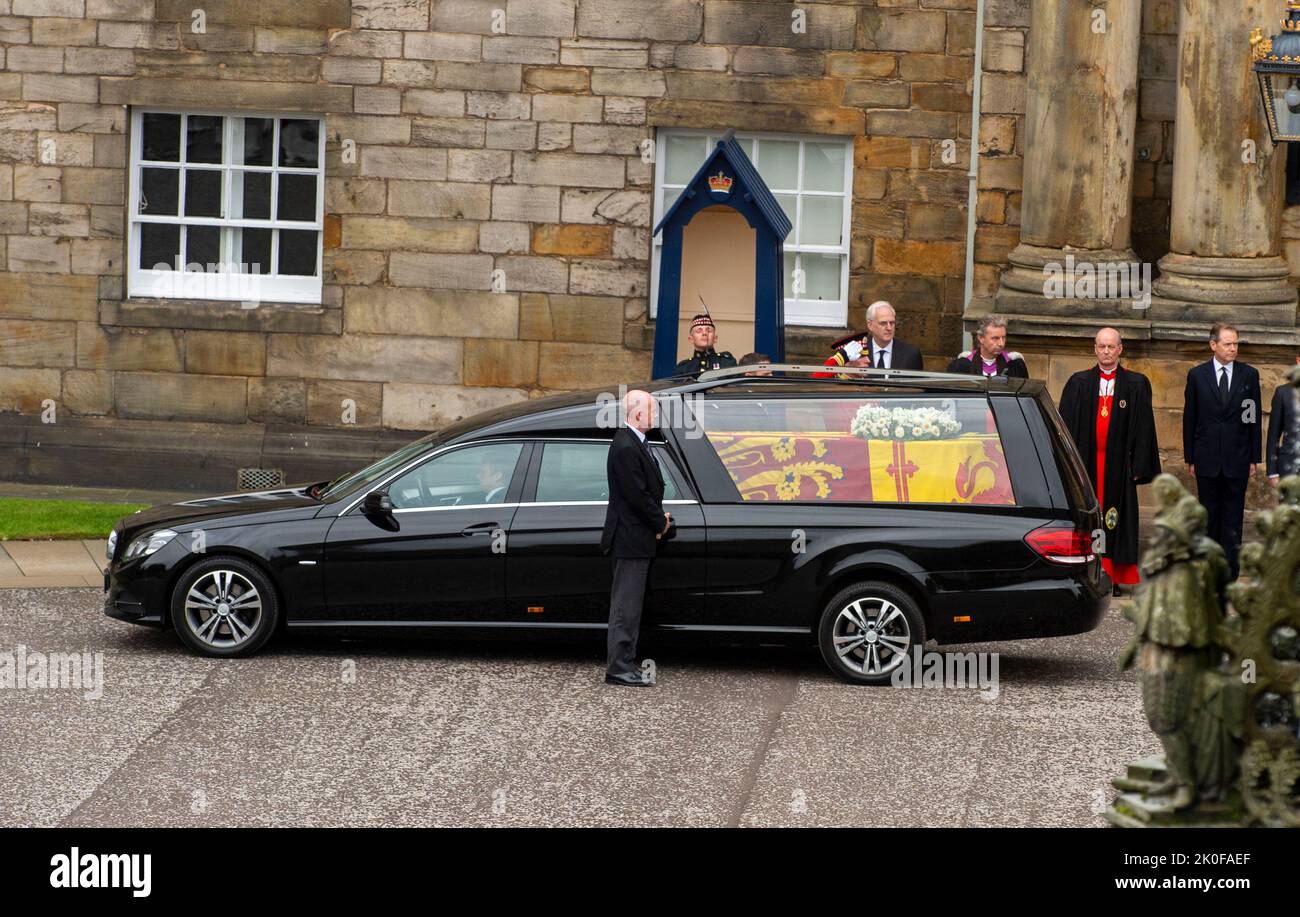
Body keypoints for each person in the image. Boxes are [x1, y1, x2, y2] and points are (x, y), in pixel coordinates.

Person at [1059, 327, 1160, 594]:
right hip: (1087, 466)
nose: (1106, 351)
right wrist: (1068, 466)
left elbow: (1144, 428)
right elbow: (1065, 428)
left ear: (1120, 349)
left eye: (1111, 346)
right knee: (1088, 519)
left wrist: (1139, 465)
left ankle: (1112, 575)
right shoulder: (1078, 383)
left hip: (1119, 468)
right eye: (1101, 346)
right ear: (1095, 349)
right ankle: (1087, 572)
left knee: (1114, 519)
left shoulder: (1136, 384)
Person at [599, 389, 671, 687]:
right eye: (652, 411)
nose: (656, 416)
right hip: (630, 538)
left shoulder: (634, 442)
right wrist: (660, 522)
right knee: (625, 607)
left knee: (631, 605)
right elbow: (636, 496)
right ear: (638, 414)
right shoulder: (626, 446)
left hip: (636, 535)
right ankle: (618, 667)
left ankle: (627, 661)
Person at [1183, 322, 1261, 580]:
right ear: (1213, 345)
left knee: (1232, 518)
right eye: (1228, 344)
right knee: (1208, 517)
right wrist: (1190, 457)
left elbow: (1252, 417)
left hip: (1237, 458)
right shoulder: (1197, 375)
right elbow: (1190, 418)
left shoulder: (1248, 375)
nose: (1233, 348)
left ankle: (1229, 572)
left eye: (1236, 343)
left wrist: (1253, 456)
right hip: (1206, 459)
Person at [818, 301, 922, 376]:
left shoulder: (911, 354)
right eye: (883, 323)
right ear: (870, 325)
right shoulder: (856, 352)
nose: (889, 328)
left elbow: (919, 393)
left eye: (892, 323)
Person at [947, 315, 1028, 378]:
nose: (1001, 343)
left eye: (1003, 337)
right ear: (981, 338)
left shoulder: (1015, 365)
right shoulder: (961, 366)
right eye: (995, 338)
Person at [1266, 354, 1300, 487]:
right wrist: (1272, 471)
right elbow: (1273, 435)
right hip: (1289, 469)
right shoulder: (1283, 393)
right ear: (1298, 360)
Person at [673, 314, 736, 378]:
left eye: (708, 331)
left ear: (715, 338)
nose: (704, 333)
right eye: (699, 331)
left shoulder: (727, 362)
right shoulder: (683, 367)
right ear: (691, 339)